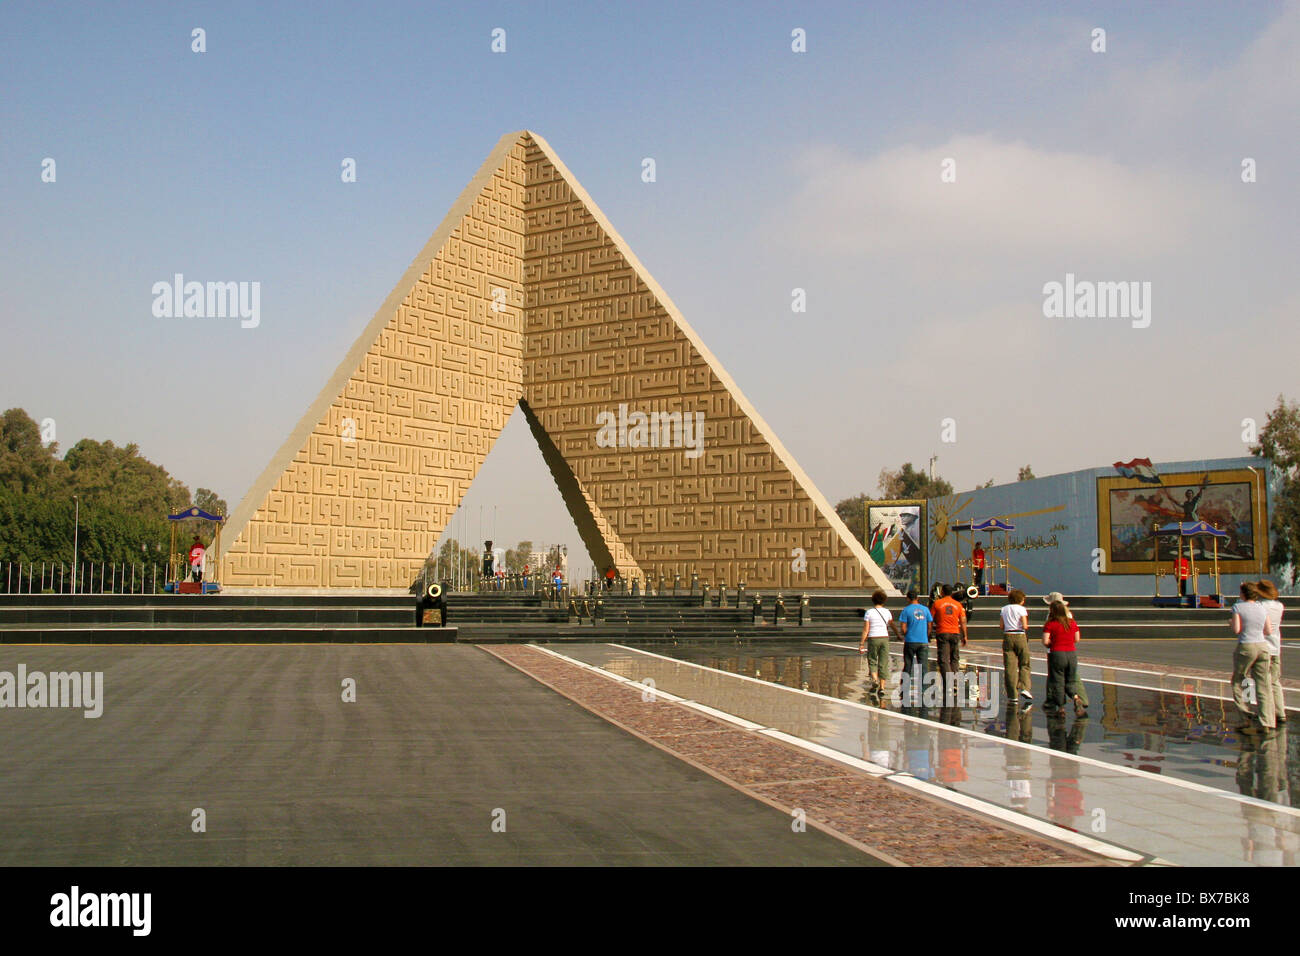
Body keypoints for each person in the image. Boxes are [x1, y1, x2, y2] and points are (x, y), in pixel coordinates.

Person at [1232, 581, 1276, 733]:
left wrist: (1231, 623)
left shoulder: (1238, 607)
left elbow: (1237, 629)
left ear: (1243, 593)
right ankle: (1267, 721)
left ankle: (1246, 715)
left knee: (1238, 680)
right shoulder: (1262, 608)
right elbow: (1269, 630)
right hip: (1263, 646)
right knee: (1264, 684)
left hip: (1246, 645)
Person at [1042, 598, 1086, 717]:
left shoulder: (1050, 624)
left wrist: (1054, 642)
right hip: (1071, 653)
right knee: (1070, 680)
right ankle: (1076, 698)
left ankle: (1061, 707)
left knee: (1058, 681)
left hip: (1057, 654)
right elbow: (1077, 639)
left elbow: (1045, 641)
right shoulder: (1072, 622)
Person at [896, 589, 934, 706]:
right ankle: (923, 690)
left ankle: (904, 689)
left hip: (910, 641)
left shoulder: (906, 610)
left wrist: (906, 634)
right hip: (923, 641)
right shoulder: (925, 609)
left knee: (908, 665)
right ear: (917, 597)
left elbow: (903, 627)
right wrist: (926, 636)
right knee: (923, 667)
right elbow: (929, 625)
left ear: (908, 598)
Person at [931, 584, 968, 702]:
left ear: (942, 592)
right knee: (954, 658)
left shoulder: (937, 603)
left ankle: (949, 683)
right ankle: (955, 681)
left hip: (942, 632)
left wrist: (928, 632)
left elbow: (931, 619)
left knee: (943, 659)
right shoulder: (958, 605)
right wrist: (965, 635)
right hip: (955, 633)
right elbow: (963, 620)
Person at [1257, 579, 1286, 724]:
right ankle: (1280, 712)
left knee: (1263, 683)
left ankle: (1267, 714)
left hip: (1263, 646)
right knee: (1275, 682)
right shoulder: (1280, 606)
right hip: (1276, 646)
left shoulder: (1260, 606)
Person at [858, 589, 896, 696]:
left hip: (873, 638)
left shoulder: (869, 612)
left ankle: (875, 679)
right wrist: (898, 634)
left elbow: (866, 629)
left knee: (872, 659)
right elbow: (891, 624)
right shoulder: (887, 612)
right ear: (884, 600)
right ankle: (882, 687)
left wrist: (861, 643)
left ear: (873, 600)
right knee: (884, 662)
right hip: (884, 637)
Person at [1000, 588, 1033, 710]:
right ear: (1021, 600)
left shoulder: (1004, 609)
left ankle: (1012, 694)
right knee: (1024, 663)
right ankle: (1024, 687)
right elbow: (1024, 625)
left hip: (1007, 635)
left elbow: (1001, 626)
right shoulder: (1022, 609)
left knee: (1010, 667)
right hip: (1019, 635)